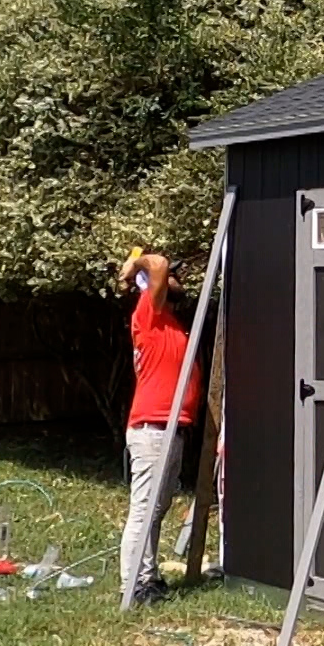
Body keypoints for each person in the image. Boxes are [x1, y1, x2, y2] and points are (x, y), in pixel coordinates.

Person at [116, 250, 202, 606]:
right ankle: (133, 585)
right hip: (152, 427)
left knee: (157, 506)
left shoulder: (169, 319)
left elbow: (164, 272)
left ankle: (147, 577)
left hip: (171, 426)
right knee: (145, 507)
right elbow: (159, 264)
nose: (173, 279)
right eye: (167, 280)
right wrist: (134, 265)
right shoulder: (147, 314)